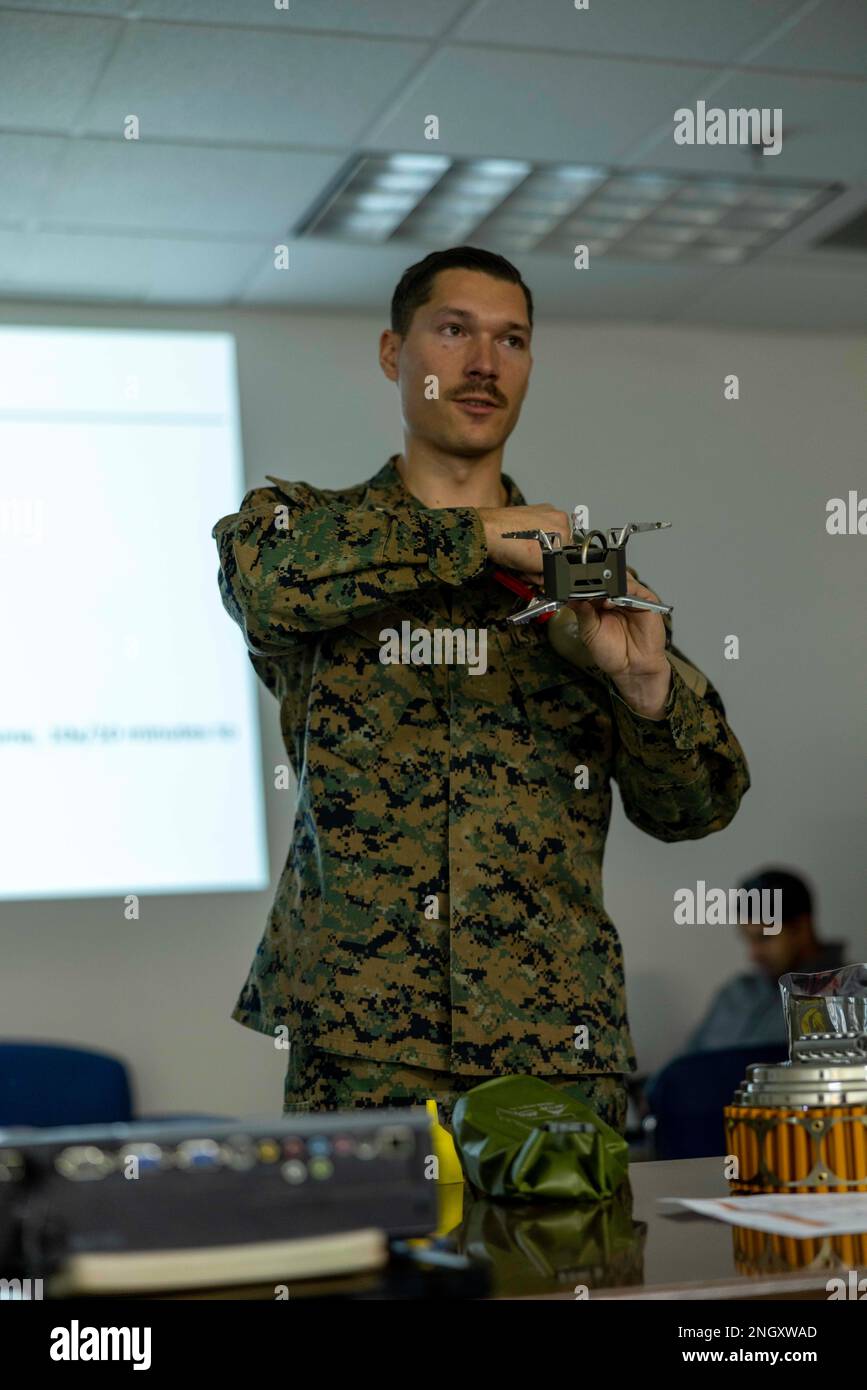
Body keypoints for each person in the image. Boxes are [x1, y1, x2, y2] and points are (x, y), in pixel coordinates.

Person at [212, 246, 750, 1135]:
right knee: (370, 1276)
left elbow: (695, 807)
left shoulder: (579, 583)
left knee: (571, 1271)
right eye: (454, 330)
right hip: (364, 1043)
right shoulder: (301, 533)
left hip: (551, 1043)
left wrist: (643, 685)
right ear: (395, 354)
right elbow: (266, 587)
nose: (483, 364)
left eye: (512, 340)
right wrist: (473, 538)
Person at [681, 868, 844, 1053]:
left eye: (764, 938)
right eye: (748, 939)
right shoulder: (734, 994)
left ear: (800, 928)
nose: (753, 954)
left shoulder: (848, 996)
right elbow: (683, 1069)